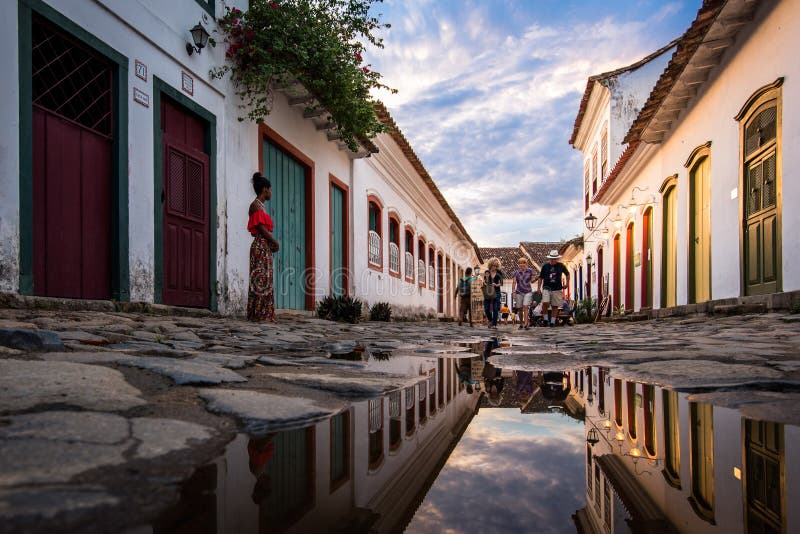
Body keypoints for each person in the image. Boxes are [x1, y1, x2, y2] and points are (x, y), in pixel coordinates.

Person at [247, 172, 281, 322]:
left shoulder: (260, 206)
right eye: (270, 189)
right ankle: (259, 313)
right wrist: (275, 241)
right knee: (260, 278)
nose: (271, 192)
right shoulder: (256, 206)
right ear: (265, 189)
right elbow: (261, 228)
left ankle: (263, 313)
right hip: (260, 246)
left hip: (263, 246)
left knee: (264, 279)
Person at [536, 249, 570, 327]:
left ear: (557, 259)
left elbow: (567, 274)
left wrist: (567, 283)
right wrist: (538, 288)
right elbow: (540, 277)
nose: (553, 260)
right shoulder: (545, 266)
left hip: (557, 288)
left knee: (555, 306)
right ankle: (545, 319)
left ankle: (552, 322)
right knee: (545, 302)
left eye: (555, 258)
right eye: (552, 258)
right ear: (549, 258)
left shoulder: (561, 266)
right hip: (546, 288)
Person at [511, 257, 535, 329]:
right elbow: (514, 282)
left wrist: (535, 278)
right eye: (520, 263)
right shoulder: (516, 272)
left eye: (524, 263)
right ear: (518, 264)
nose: (522, 264)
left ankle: (526, 324)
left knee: (525, 306)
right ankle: (521, 323)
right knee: (520, 308)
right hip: (519, 292)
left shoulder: (530, 271)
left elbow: (532, 281)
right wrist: (513, 291)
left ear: (526, 264)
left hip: (528, 291)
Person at [483, 258, 503, 329]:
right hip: (488, 292)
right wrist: (486, 283)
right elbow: (485, 282)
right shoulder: (487, 272)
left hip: (497, 292)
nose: (494, 267)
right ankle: (490, 320)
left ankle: (494, 324)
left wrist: (496, 284)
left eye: (496, 266)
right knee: (486, 308)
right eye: (493, 265)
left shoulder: (499, 273)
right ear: (490, 265)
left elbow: (501, 283)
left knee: (495, 308)